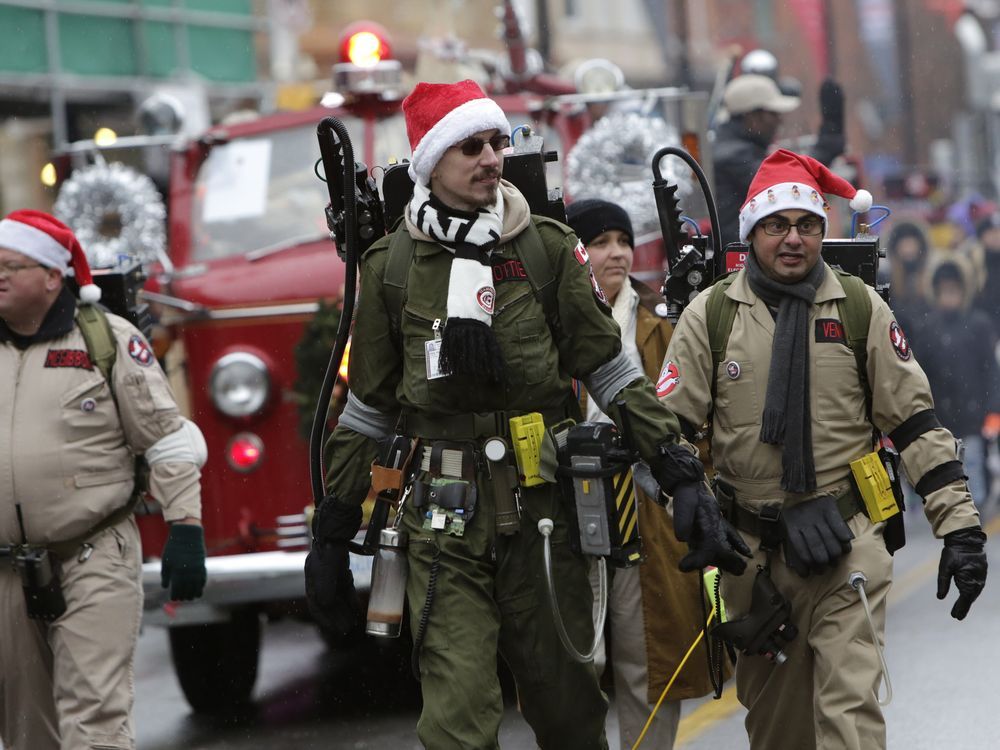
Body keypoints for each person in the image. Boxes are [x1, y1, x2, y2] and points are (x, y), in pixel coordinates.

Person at [303, 79, 749, 750]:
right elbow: (369, 411)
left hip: (544, 516)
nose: (491, 158)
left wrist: (679, 472)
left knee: (569, 717)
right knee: (456, 724)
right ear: (431, 161)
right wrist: (333, 530)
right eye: (470, 147)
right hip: (443, 527)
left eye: (496, 142)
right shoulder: (391, 266)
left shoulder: (546, 248)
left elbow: (611, 371)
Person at [658, 149, 987, 749]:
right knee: (779, 734)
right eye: (777, 225)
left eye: (807, 224)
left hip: (848, 548)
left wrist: (961, 530)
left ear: (822, 231)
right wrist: (688, 498)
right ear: (752, 233)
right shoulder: (711, 316)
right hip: (752, 561)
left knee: (850, 718)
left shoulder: (861, 308)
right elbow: (668, 430)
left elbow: (914, 424)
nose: (793, 239)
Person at [0, 210, 207, 750]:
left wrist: (185, 527)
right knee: (25, 729)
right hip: (6, 571)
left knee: (94, 715)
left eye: (11, 266)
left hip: (93, 554)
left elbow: (166, 439)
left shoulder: (107, 340)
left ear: (52, 275)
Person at [566, 198, 730, 750]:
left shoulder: (662, 322)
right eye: (600, 243)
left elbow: (692, 418)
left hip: (645, 515)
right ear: (573, 253)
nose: (616, 253)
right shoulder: (548, 322)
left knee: (648, 658)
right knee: (577, 662)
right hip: (567, 513)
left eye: (623, 241)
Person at [713, 73, 845, 248]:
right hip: (739, 258)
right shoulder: (733, 155)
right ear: (753, 116)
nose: (779, 120)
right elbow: (785, 182)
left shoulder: (733, 148)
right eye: (773, 113)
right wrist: (828, 142)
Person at [916, 257, 1000, 509]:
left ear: (964, 291)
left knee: (973, 471)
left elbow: (990, 371)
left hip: (973, 416)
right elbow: (919, 374)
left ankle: (974, 514)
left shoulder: (979, 324)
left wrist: (992, 409)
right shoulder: (928, 327)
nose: (949, 297)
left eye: (954, 291)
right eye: (944, 291)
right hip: (940, 418)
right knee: (944, 473)